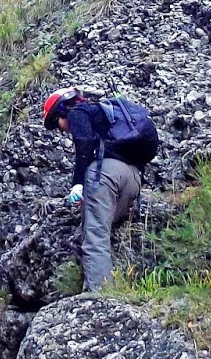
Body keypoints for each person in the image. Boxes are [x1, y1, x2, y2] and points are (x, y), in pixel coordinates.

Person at [42, 87, 159, 292]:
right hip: (133, 180)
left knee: (96, 234)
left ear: (61, 111)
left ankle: (100, 295)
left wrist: (77, 183)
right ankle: (118, 284)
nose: (62, 130)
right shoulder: (106, 115)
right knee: (95, 230)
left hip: (105, 175)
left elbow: (84, 143)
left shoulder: (77, 112)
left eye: (56, 124)